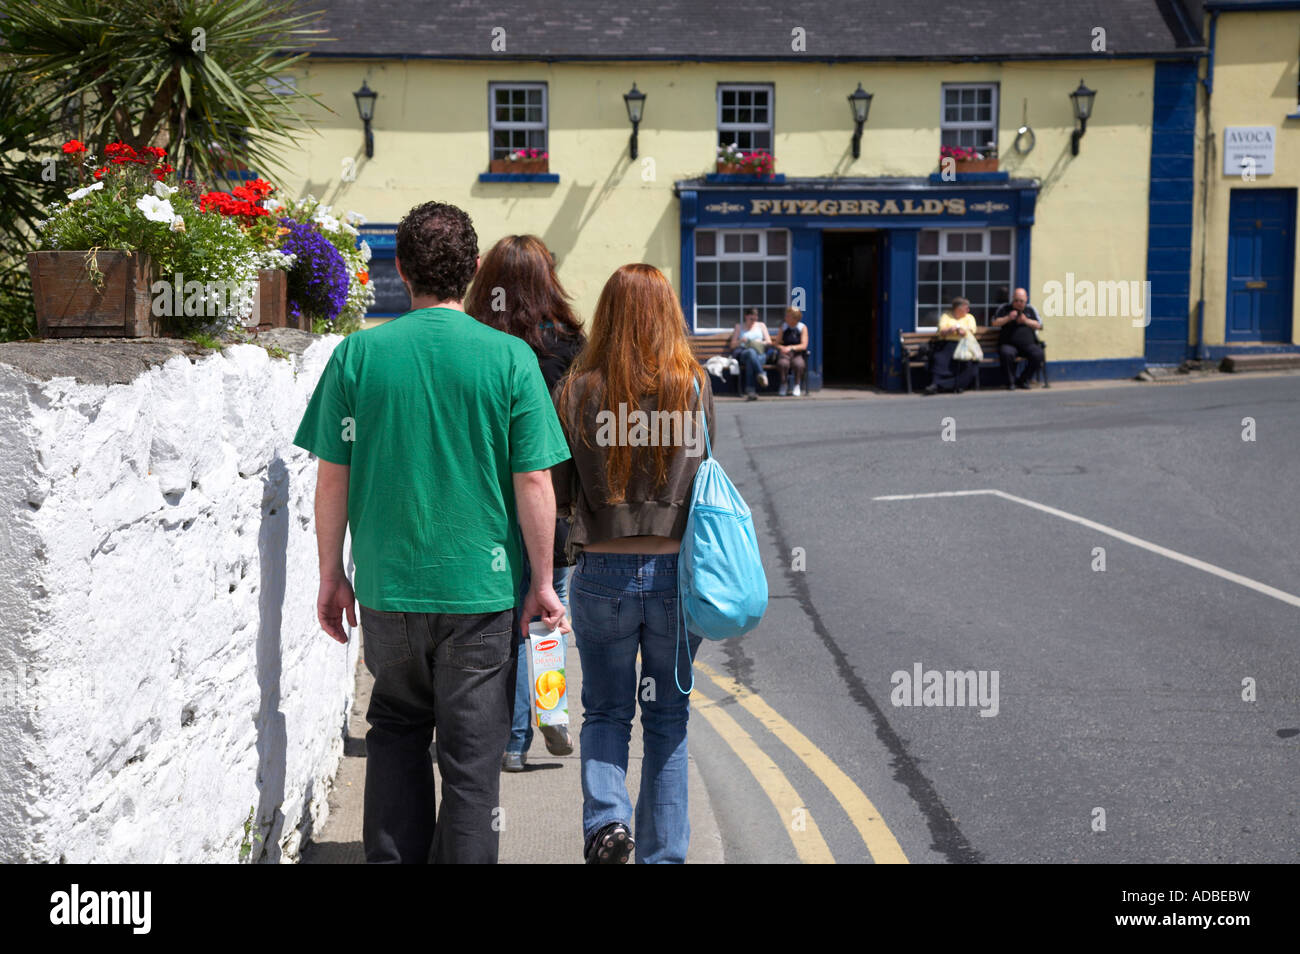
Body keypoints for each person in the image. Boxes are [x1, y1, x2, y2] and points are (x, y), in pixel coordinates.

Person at [293, 202, 572, 864]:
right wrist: (540, 583)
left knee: (394, 731)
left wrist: (332, 576)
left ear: (399, 270)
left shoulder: (359, 354)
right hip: (482, 591)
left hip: (389, 589)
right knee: (472, 765)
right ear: (474, 273)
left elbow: (333, 478)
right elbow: (535, 483)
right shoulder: (508, 359)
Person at [552, 263, 715, 864]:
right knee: (668, 720)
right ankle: (663, 856)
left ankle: (608, 825)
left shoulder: (577, 388)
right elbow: (706, 479)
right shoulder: (692, 386)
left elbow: (561, 489)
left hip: (601, 574)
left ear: (609, 314)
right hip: (677, 574)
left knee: (606, 710)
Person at [465, 234, 585, 771]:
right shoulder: (569, 347)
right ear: (547, 279)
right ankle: (546, 715)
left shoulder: (476, 339)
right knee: (545, 617)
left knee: (495, 625)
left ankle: (503, 739)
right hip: (550, 505)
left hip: (485, 505)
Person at [991, 287, 1044, 390]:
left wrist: (1026, 321)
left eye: (1021, 301)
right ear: (1012, 298)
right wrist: (1008, 318)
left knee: (1038, 354)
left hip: (1028, 345)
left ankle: (1024, 380)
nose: (1019, 303)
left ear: (1026, 299)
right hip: (1009, 344)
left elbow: (1040, 325)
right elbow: (994, 322)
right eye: (1016, 300)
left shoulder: (1030, 309)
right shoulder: (1005, 308)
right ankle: (1011, 382)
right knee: (1006, 353)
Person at [923, 296, 978, 395]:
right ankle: (935, 385)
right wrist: (949, 330)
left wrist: (961, 331)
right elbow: (941, 330)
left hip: (963, 345)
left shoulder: (969, 317)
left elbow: (971, 330)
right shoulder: (946, 316)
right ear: (958, 308)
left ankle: (958, 386)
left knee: (965, 362)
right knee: (939, 359)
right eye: (966, 308)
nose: (968, 310)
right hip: (947, 344)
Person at [728, 307, 775, 400]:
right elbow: (732, 346)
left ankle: (751, 391)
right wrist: (741, 340)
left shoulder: (761, 325)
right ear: (746, 316)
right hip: (744, 353)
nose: (754, 320)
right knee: (750, 352)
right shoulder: (739, 326)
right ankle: (762, 374)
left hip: (760, 354)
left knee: (751, 360)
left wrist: (760, 342)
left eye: (755, 318)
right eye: (751, 318)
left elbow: (769, 342)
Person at [775, 306, 809, 396]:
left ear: (794, 318)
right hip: (784, 354)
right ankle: (783, 384)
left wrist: (791, 347)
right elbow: (777, 343)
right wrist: (781, 348)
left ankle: (797, 385)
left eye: (788, 316)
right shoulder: (783, 327)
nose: (785, 317)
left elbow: (804, 345)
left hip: (797, 353)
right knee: (783, 363)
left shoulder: (802, 327)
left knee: (799, 364)